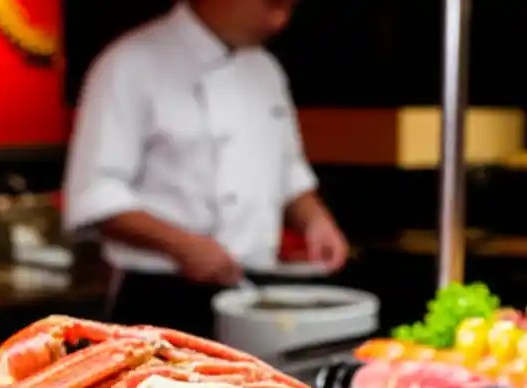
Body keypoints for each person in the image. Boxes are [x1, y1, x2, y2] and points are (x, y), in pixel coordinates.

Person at [62, 0, 348, 338]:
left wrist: (314, 218)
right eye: (272, 5)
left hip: (251, 293)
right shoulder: (128, 64)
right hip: (160, 299)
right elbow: (94, 194)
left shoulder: (265, 69)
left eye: (288, 8)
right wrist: (184, 246)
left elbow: (288, 172)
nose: (280, 22)